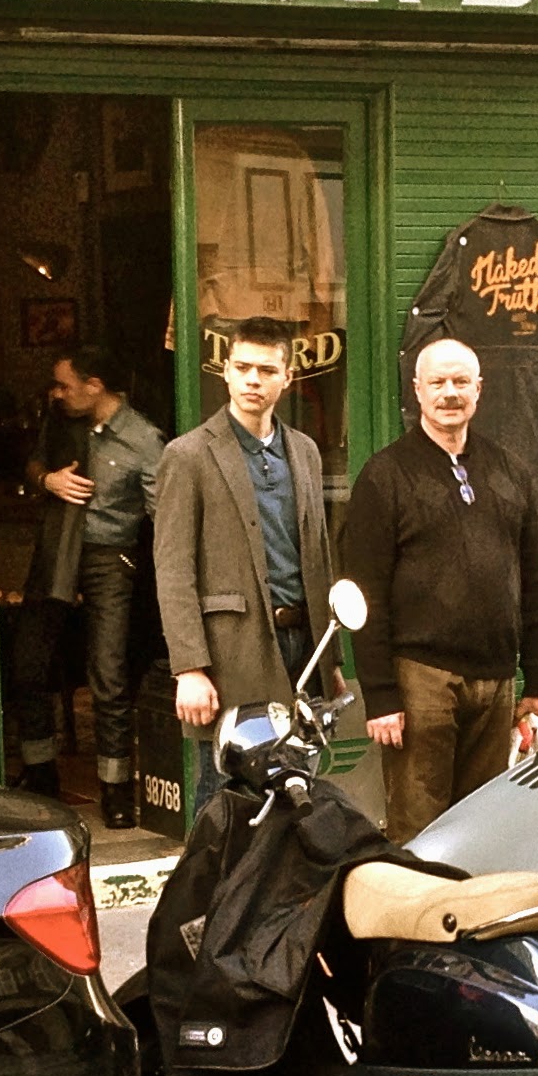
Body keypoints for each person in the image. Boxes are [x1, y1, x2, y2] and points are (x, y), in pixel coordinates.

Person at [342, 337, 538, 844]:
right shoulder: (385, 476)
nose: (450, 393)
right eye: (437, 382)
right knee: (420, 833)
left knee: (483, 829)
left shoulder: (510, 471)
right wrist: (380, 697)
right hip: (422, 682)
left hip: (497, 682)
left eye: (461, 381)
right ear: (417, 390)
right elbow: (364, 594)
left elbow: (535, 585)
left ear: (479, 389)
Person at [154, 316, 341, 816]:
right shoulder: (188, 455)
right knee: (226, 802)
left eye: (266, 370)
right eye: (242, 368)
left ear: (288, 377)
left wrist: (332, 661)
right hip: (230, 652)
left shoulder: (304, 451)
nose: (253, 380)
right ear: (226, 373)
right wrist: (189, 669)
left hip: (303, 648)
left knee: (296, 798)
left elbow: (319, 556)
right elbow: (173, 568)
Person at [15, 344, 164, 827]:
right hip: (56, 551)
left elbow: (165, 517)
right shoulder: (60, 422)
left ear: (94, 386)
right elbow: (32, 465)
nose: (56, 393)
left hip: (109, 558)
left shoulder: (144, 439)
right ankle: (40, 774)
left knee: (108, 675)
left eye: (65, 385)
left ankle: (115, 790)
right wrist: (48, 481)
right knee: (29, 665)